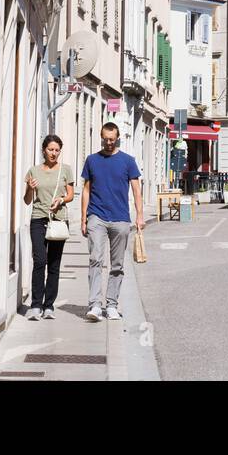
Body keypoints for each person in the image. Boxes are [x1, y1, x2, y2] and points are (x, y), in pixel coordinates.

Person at [80, 122, 144, 321]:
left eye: (112, 139)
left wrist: (140, 215)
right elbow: (86, 190)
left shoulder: (128, 161)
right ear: (101, 137)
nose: (108, 142)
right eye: (105, 139)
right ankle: (95, 305)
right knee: (95, 260)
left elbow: (136, 190)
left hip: (121, 218)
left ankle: (112, 305)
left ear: (117, 138)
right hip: (96, 216)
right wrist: (83, 218)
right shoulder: (92, 160)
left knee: (117, 264)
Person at [22, 134, 73, 320]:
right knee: (39, 261)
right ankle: (36, 306)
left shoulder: (65, 170)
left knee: (54, 264)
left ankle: (49, 305)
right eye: (50, 149)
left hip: (58, 220)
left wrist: (61, 200)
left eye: (57, 150)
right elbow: (27, 201)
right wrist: (29, 188)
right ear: (44, 150)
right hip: (38, 219)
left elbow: (70, 195)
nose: (53, 153)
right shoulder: (33, 171)